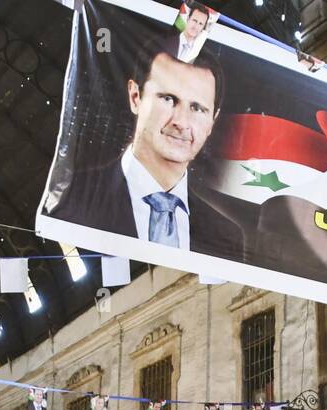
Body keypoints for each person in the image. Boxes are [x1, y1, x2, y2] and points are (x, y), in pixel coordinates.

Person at [43, 37, 242, 257]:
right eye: (168, 99)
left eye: (197, 108)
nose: (181, 122)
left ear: (212, 121)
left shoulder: (226, 236)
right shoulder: (71, 198)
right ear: (135, 97)